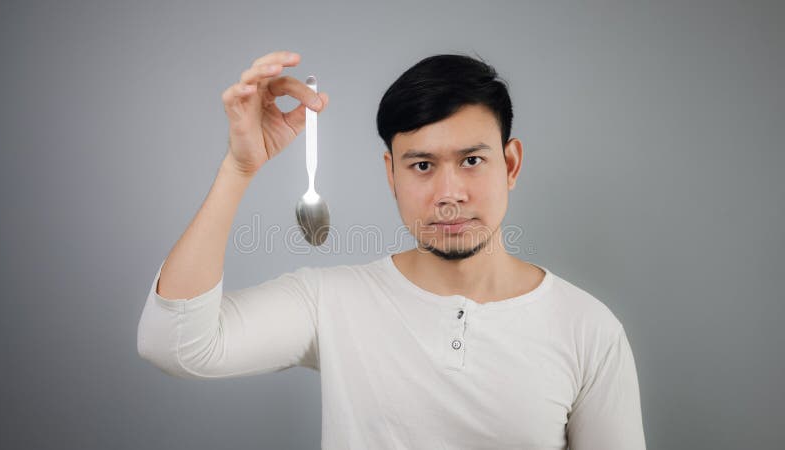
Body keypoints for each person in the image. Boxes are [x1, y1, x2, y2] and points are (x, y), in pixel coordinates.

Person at [137, 50, 647, 450]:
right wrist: (239, 168)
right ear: (392, 175)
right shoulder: (331, 301)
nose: (449, 193)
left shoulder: (588, 329)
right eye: (422, 166)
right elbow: (175, 345)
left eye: (471, 160)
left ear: (510, 164)